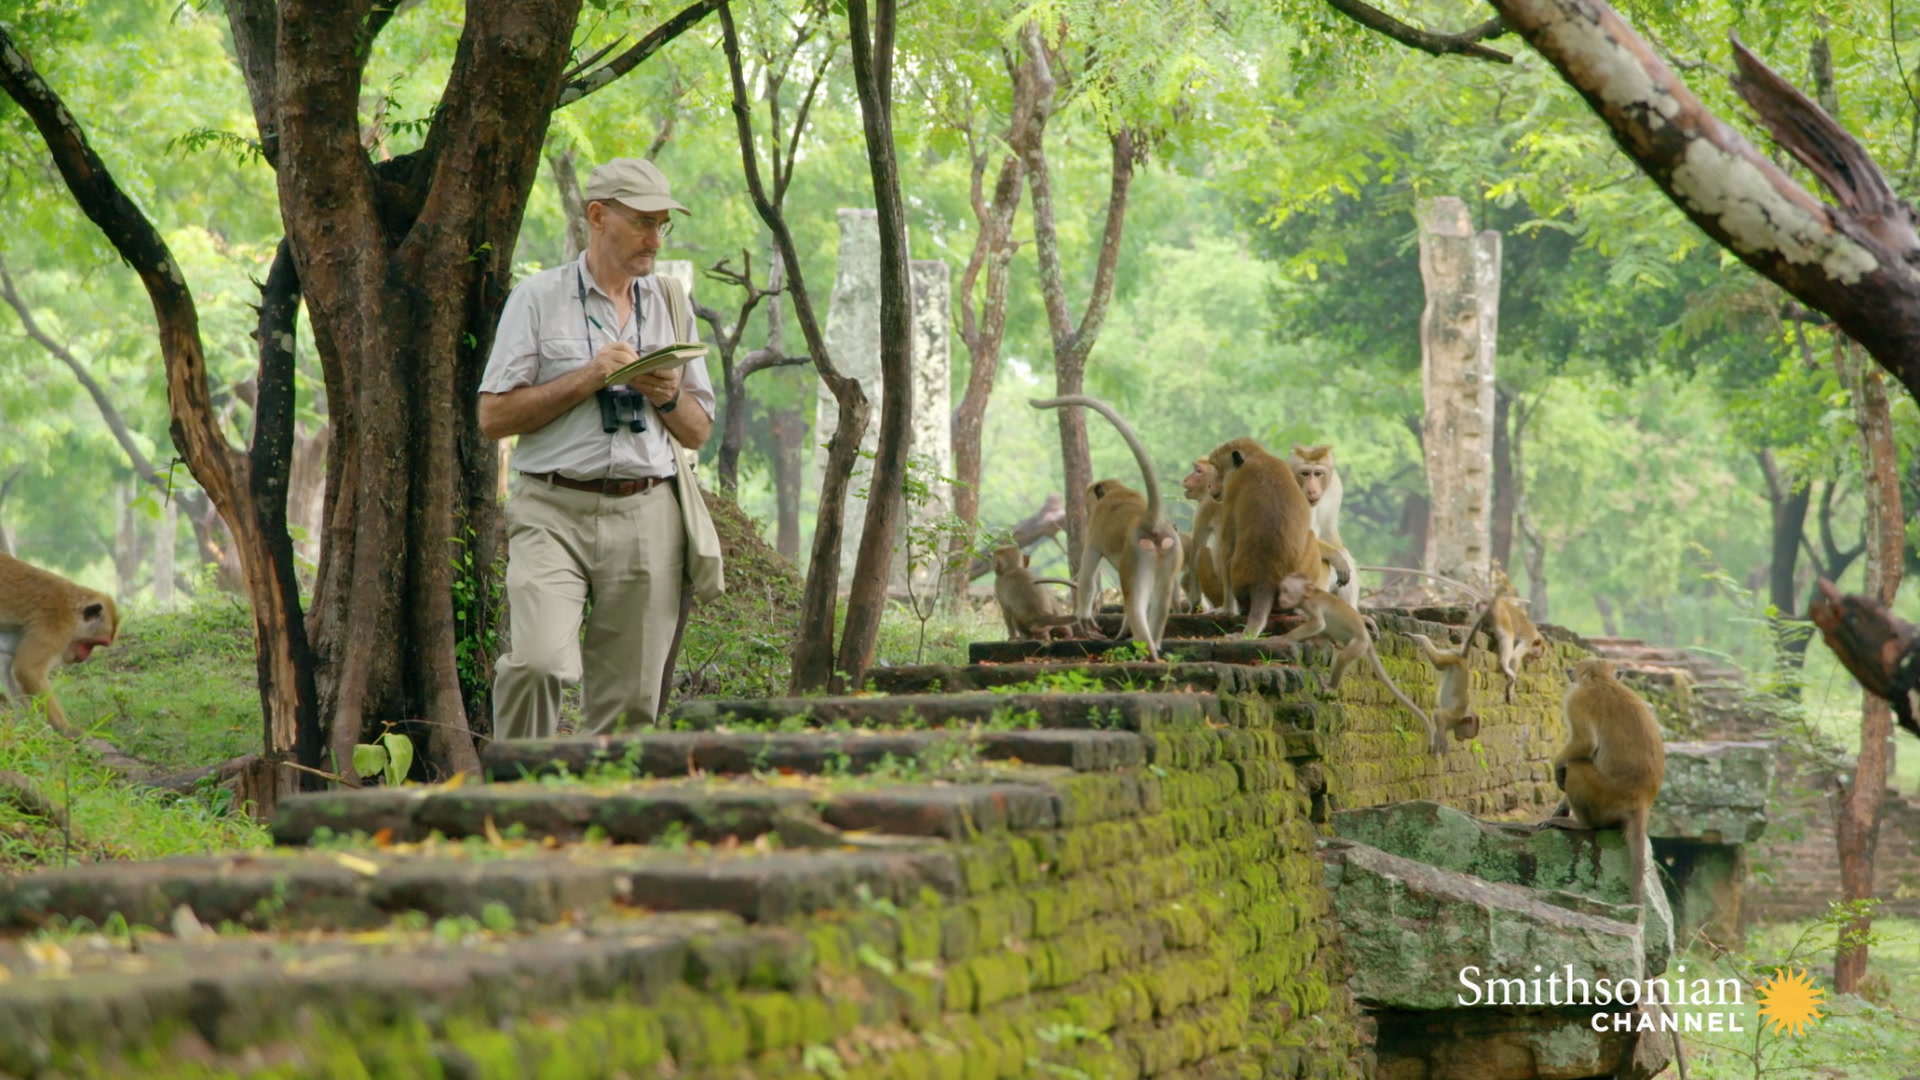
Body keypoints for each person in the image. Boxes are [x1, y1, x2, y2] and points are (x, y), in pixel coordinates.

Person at [477, 158, 714, 738]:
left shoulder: (671, 301)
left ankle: (606, 820)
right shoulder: (537, 298)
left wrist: (664, 394)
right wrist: (589, 377)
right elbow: (492, 416)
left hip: (648, 511)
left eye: (663, 225)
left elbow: (698, 429)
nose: (655, 240)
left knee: (631, 699)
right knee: (535, 665)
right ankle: (518, 808)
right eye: (642, 223)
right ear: (599, 216)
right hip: (553, 509)